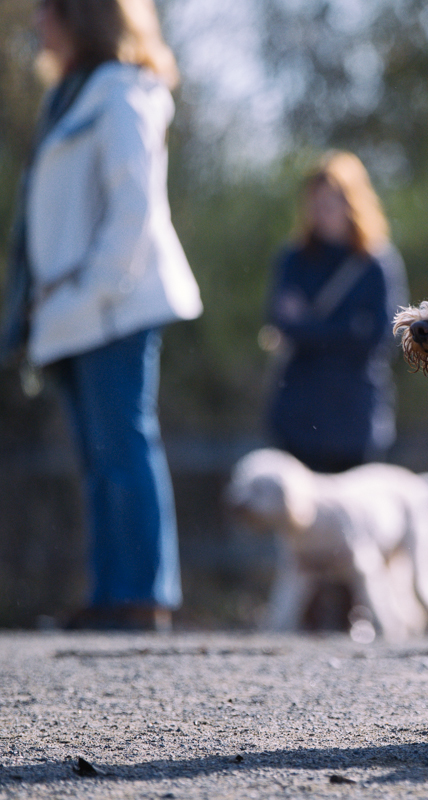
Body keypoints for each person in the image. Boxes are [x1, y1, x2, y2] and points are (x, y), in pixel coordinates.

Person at [0, 0, 203, 631]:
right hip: (68, 311)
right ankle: (113, 594)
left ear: (80, 17)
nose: (37, 24)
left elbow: (132, 212)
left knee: (124, 448)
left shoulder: (123, 92)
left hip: (112, 306)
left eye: (47, 13)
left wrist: (90, 291)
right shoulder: (70, 95)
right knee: (97, 458)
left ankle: (141, 597)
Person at [263, 151, 407, 476]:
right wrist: (346, 329)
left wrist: (309, 326)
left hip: (354, 419)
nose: (322, 212)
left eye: (331, 202)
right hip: (298, 416)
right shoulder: (293, 259)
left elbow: (380, 337)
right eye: (316, 203)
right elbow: (280, 323)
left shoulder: (376, 263)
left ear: (352, 203)